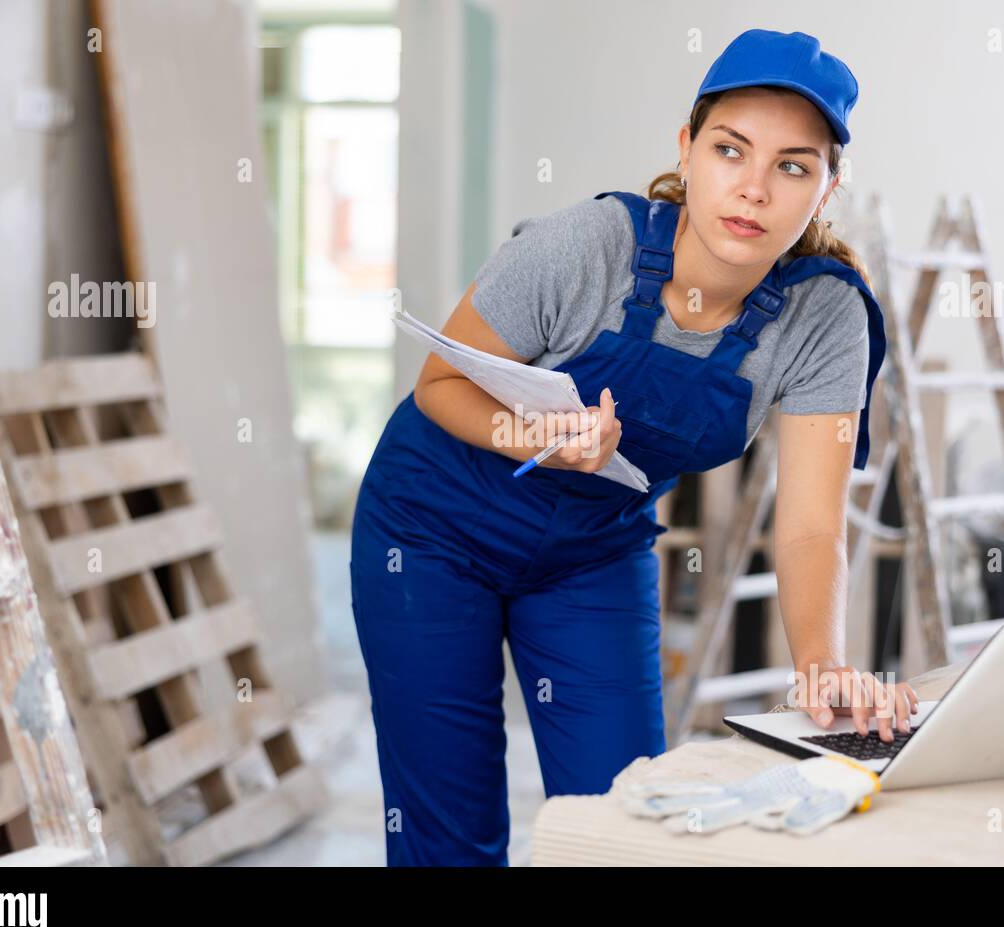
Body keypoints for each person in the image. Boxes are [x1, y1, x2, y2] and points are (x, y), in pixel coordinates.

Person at [350, 28, 917, 866]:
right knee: (450, 832)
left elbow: (808, 528)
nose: (754, 189)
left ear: (828, 189)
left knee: (626, 824)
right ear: (687, 150)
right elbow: (438, 386)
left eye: (793, 166)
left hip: (591, 555)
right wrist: (530, 432)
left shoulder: (828, 318)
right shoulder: (585, 248)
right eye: (731, 150)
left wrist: (821, 667)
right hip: (430, 534)